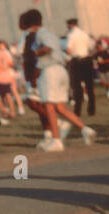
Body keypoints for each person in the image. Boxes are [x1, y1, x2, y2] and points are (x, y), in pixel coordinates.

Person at [19, 9, 96, 150]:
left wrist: (36, 53)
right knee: (60, 107)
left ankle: (56, 140)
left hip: (49, 71)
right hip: (60, 70)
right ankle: (85, 129)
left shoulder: (40, 35)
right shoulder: (51, 34)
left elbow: (47, 48)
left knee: (49, 106)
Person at [65, 17, 95, 118]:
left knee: (76, 87)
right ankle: (92, 108)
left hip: (76, 60)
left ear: (70, 25)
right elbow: (91, 47)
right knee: (89, 86)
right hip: (86, 59)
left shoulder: (71, 35)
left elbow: (69, 50)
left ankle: (77, 110)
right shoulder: (84, 34)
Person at [0, 39, 20, 121]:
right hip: (7, 77)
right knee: (8, 94)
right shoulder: (4, 53)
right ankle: (13, 112)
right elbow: (11, 63)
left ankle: (4, 110)